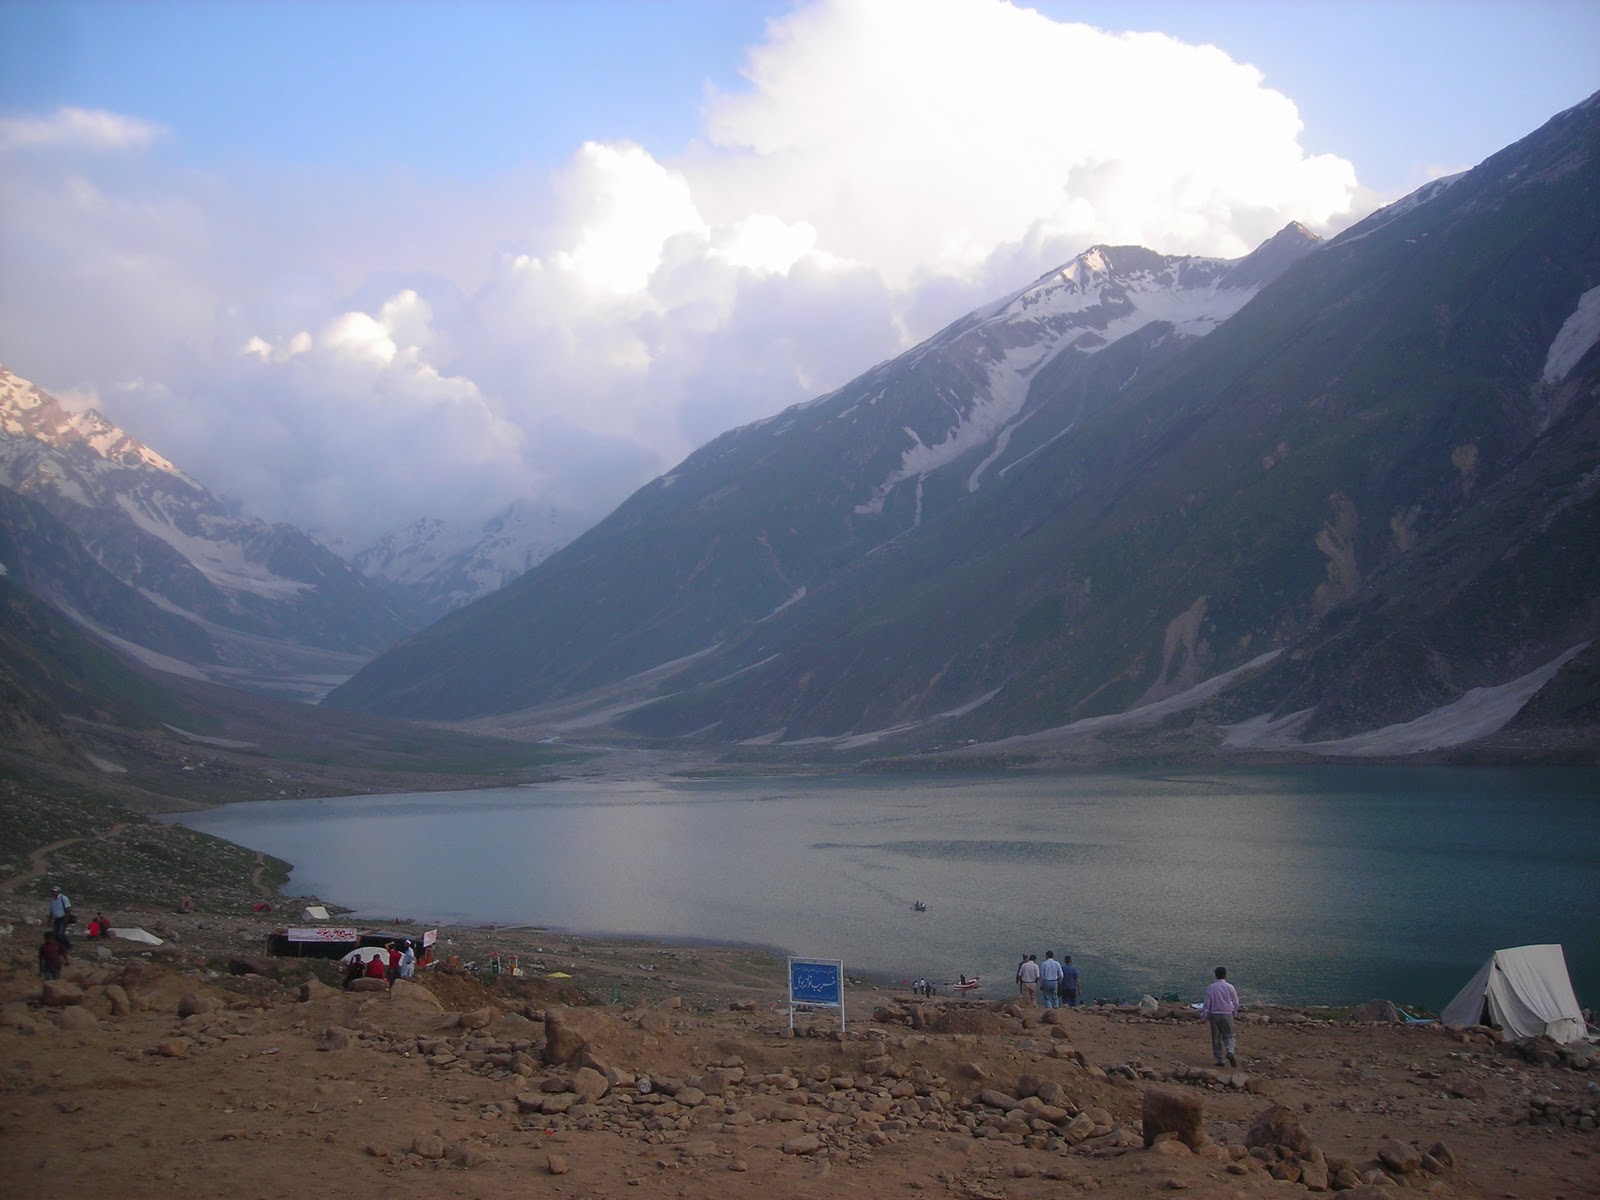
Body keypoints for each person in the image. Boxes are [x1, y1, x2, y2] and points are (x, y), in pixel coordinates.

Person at [1200, 965, 1241, 1067]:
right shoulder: (1230, 987)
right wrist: (1235, 1013)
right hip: (1227, 1014)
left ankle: (1220, 1060)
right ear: (1225, 975)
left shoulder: (1211, 987)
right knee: (1229, 1035)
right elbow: (1236, 1002)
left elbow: (1206, 1003)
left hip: (1215, 1015)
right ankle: (1230, 1051)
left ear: (1215, 975)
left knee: (1216, 1038)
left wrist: (1204, 1016)